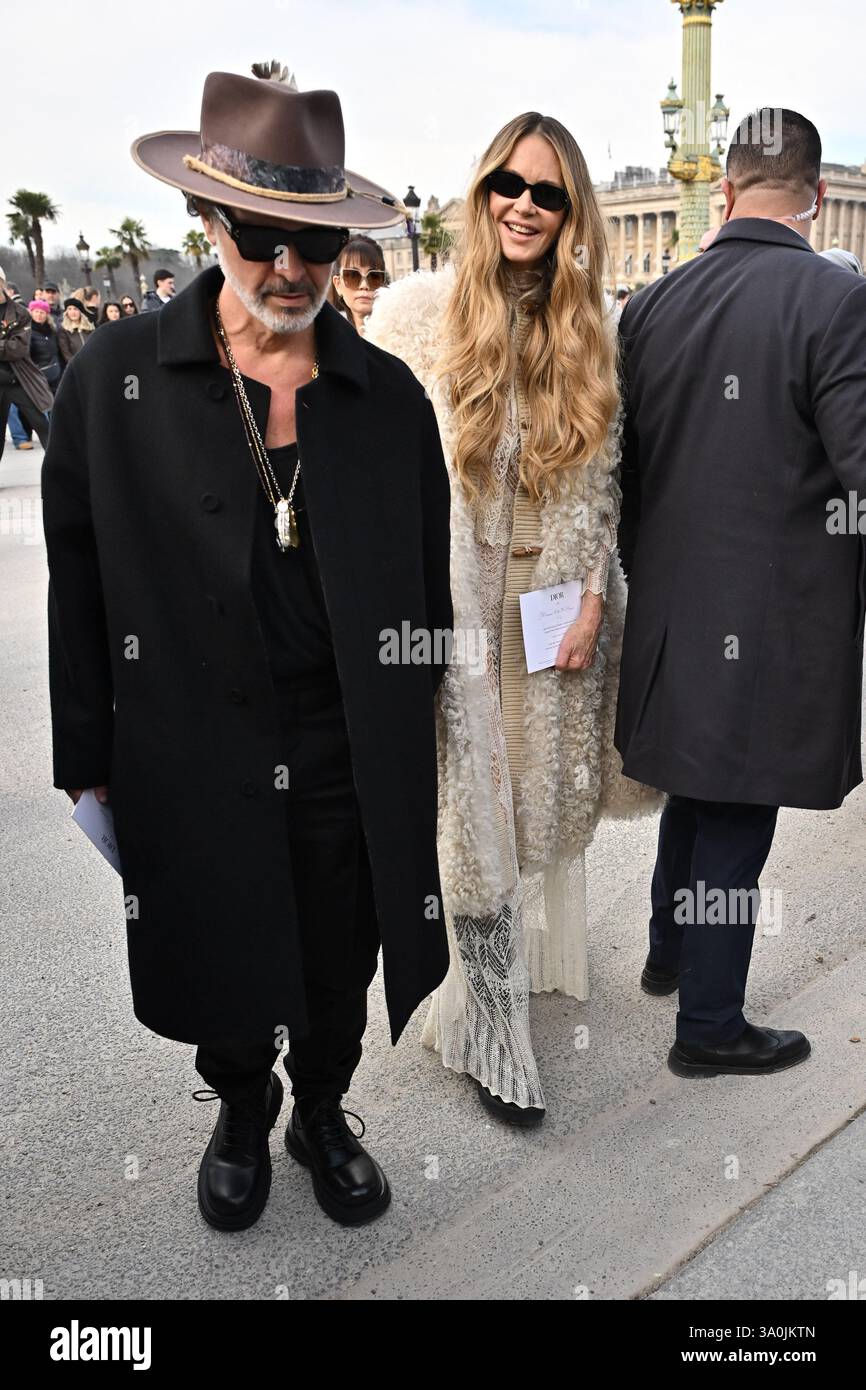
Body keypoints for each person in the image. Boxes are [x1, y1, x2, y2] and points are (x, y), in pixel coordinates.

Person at [44, 63, 451, 1233]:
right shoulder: (113, 382)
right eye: (260, 238)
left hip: (340, 741)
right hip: (188, 739)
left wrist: (417, 730)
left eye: (314, 248)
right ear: (208, 223)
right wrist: (89, 759)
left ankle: (320, 1107)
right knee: (219, 938)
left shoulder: (387, 402)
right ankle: (238, 1103)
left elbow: (423, 582)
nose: (288, 272)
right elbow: (79, 582)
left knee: (338, 956)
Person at [367, 112, 659, 1124]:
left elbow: (604, 485)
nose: (523, 206)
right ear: (480, 190)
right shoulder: (412, 316)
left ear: (570, 210)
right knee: (467, 823)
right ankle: (489, 1029)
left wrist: (586, 599)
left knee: (532, 811)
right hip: (442, 621)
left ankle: (506, 983)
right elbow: (368, 479)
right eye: (507, 184)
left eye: (546, 192)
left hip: (541, 617)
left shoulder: (591, 329)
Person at [616, 108, 866, 1078]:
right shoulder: (831, 302)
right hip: (768, 622)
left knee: (694, 782)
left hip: (675, 613)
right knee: (733, 816)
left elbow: (627, 476)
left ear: (721, 190)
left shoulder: (651, 304)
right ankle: (708, 1024)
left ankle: (668, 950)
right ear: (811, 198)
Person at [0, 269, 52, 458]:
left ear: (3, 283)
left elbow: (19, 348)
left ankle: (61, 471)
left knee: (43, 424)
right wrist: (6, 344)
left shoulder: (20, 312)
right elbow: (10, 346)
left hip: (20, 378)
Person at [330, 235, 388, 334]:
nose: (364, 285)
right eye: (353, 276)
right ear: (337, 284)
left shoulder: (405, 340)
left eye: (374, 276)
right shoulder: (330, 342)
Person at [27, 299, 63, 392]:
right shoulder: (28, 331)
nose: (39, 315)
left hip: (56, 373)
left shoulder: (52, 331)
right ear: (31, 313)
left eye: (42, 312)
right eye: (36, 312)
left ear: (47, 315)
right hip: (39, 376)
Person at [57, 297, 94, 362]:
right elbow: (66, 352)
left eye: (75, 309)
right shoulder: (64, 329)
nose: (72, 312)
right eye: (69, 309)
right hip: (77, 365)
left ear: (80, 311)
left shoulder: (89, 327)